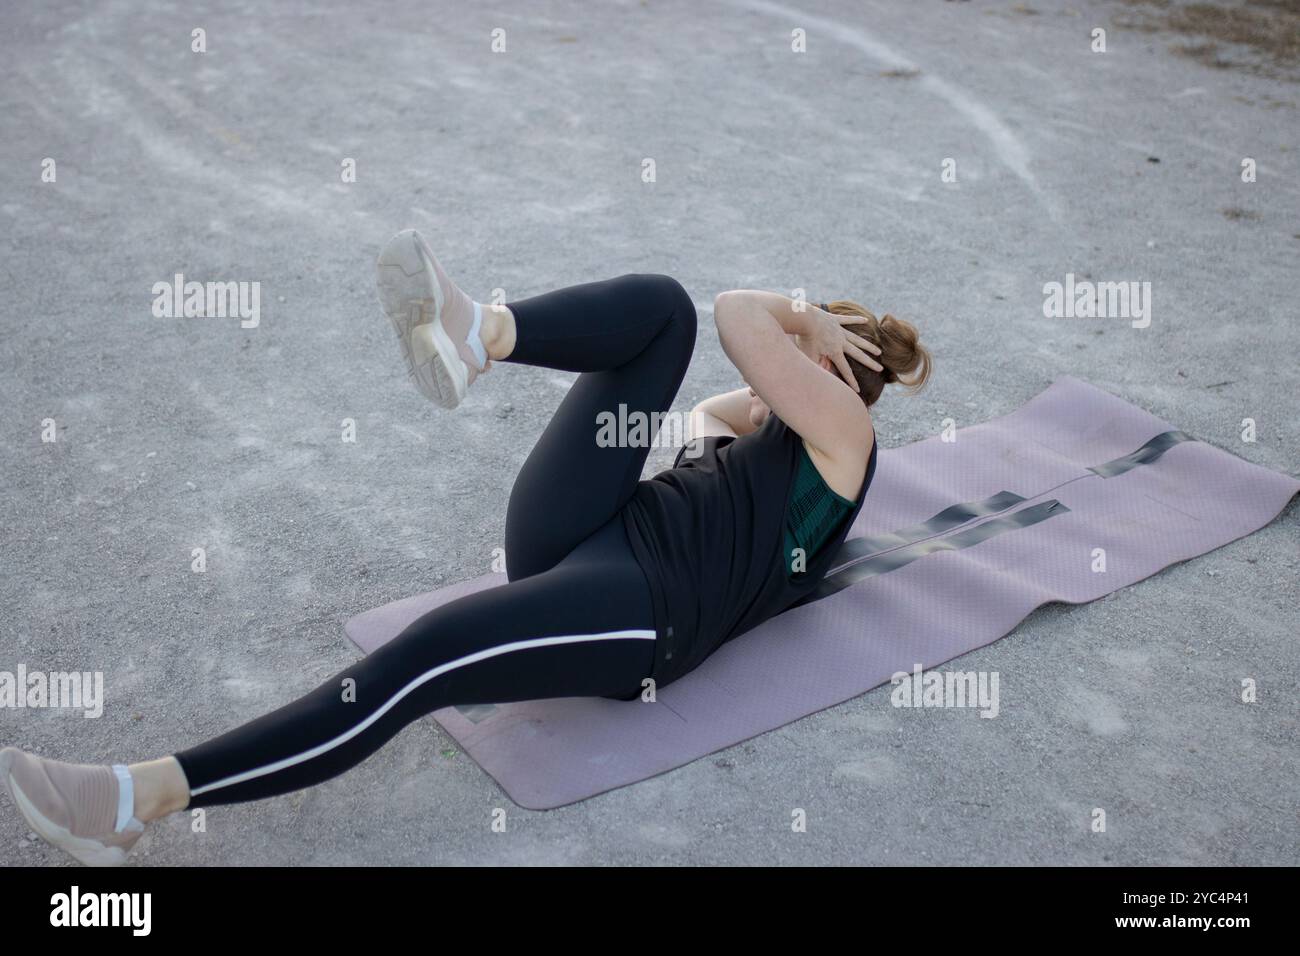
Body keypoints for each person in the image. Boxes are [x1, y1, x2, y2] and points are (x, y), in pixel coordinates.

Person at [0, 228, 931, 866]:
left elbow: (742, 315)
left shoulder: (845, 444)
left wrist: (806, 322)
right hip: (582, 540)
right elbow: (713, 357)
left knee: (423, 659)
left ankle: (138, 800)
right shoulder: (762, 437)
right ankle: (480, 333)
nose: (780, 360)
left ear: (834, 379)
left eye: (804, 356)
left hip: (642, 612)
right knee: (661, 310)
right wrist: (790, 356)